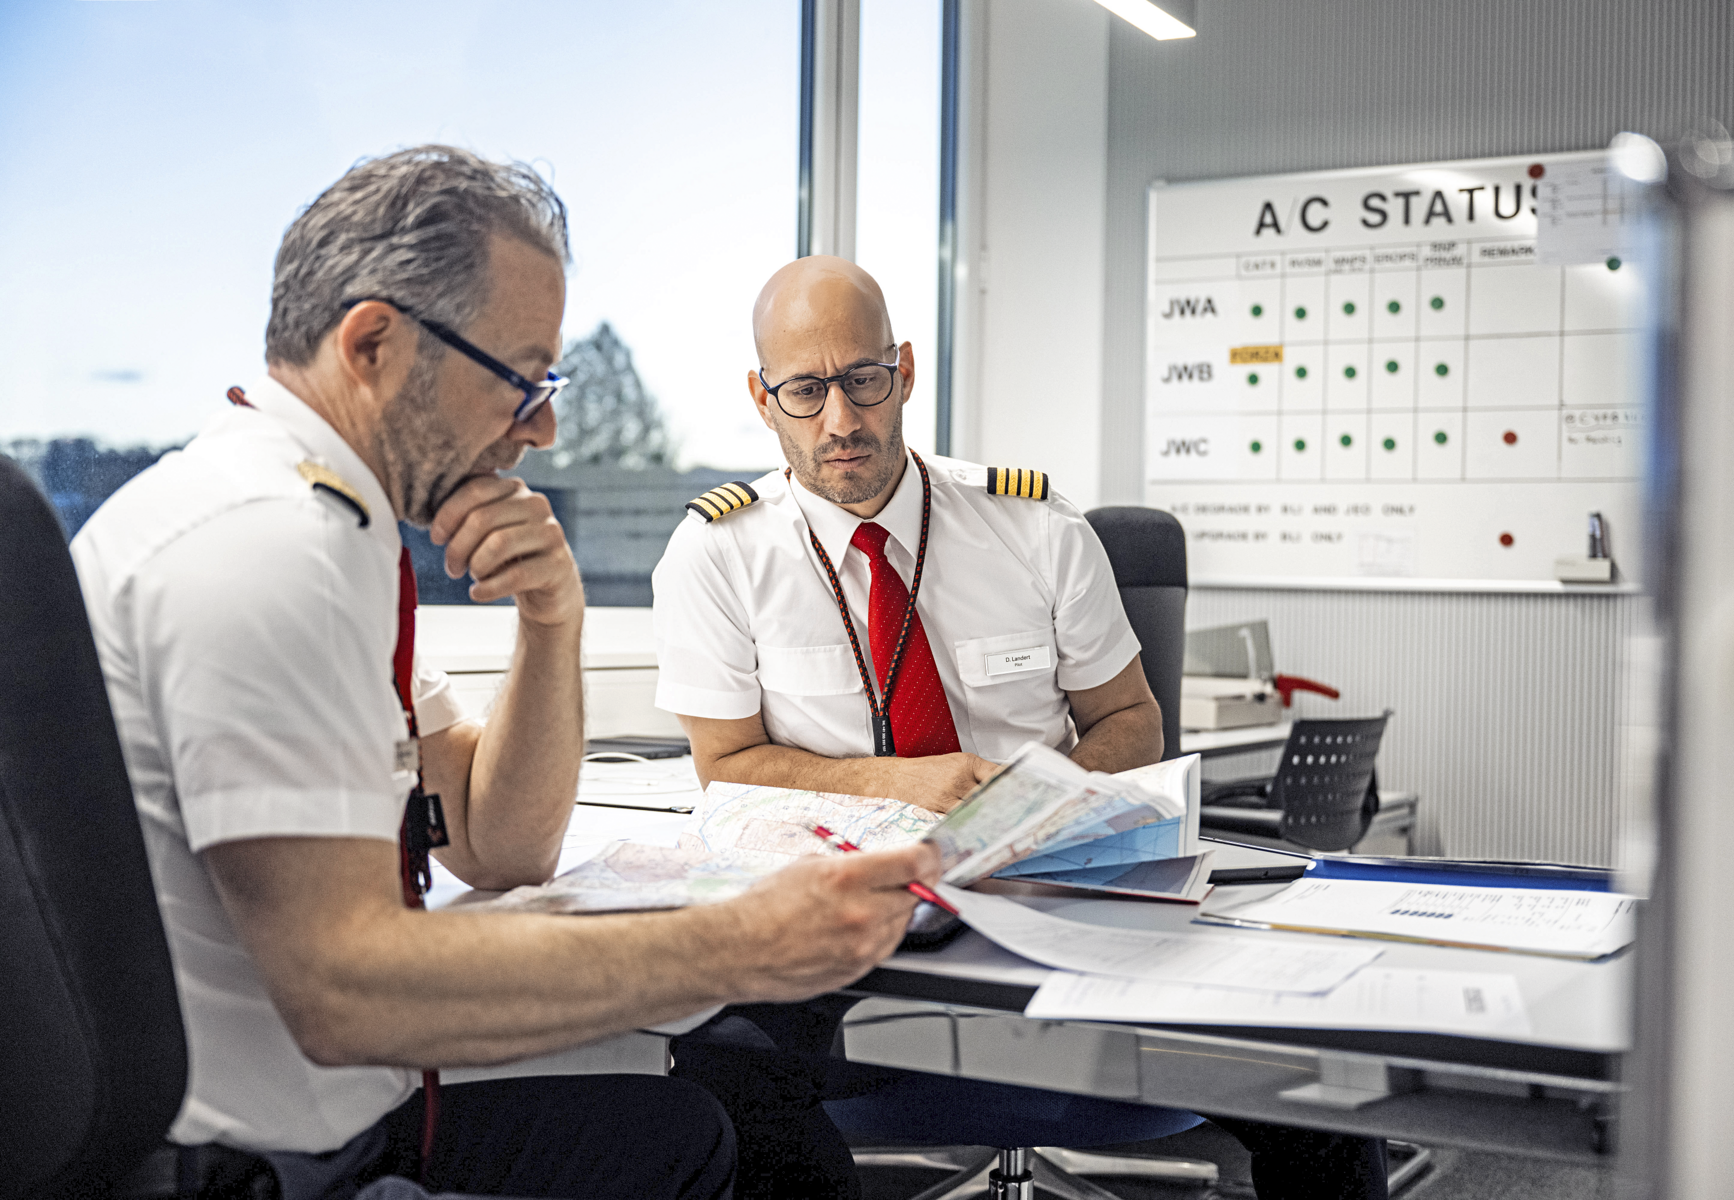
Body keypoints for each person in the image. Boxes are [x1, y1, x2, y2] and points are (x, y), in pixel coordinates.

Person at [70, 147, 940, 1200]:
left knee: (721, 1137)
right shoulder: (263, 553)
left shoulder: (325, 529)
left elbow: (498, 843)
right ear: (376, 345)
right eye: (521, 379)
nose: (545, 427)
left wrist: (551, 621)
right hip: (265, 1171)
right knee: (752, 1157)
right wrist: (740, 948)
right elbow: (346, 989)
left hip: (352, 1114)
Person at [649, 255, 1390, 1200]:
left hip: (1043, 870)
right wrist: (909, 784)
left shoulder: (1033, 525)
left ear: (905, 371)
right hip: (838, 887)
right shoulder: (717, 552)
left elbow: (1128, 717)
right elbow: (728, 764)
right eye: (805, 392)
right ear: (763, 400)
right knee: (729, 1064)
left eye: (863, 382)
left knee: (1304, 1056)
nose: (841, 420)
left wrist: (1047, 808)